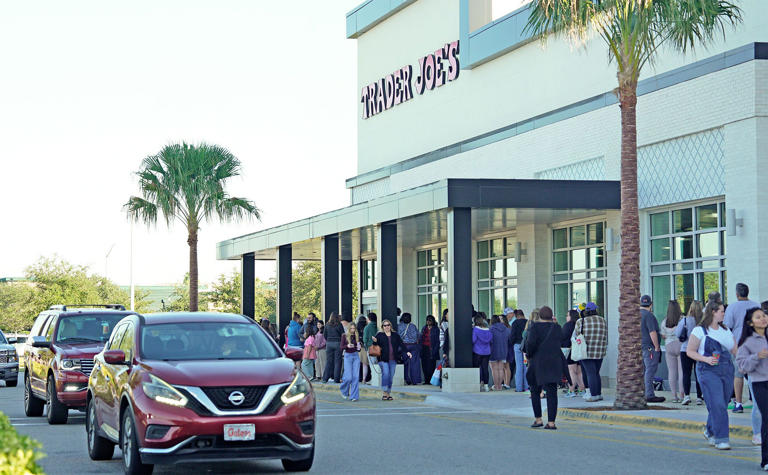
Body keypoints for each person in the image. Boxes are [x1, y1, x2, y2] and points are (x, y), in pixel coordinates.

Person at [687, 300, 737, 450]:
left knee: (721, 402)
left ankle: (710, 430)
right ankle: (721, 439)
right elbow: (690, 351)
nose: (724, 313)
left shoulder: (726, 329)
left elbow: (735, 349)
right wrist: (705, 359)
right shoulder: (699, 331)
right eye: (722, 311)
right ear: (713, 312)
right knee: (717, 403)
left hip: (727, 369)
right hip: (707, 370)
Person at [737, 306, 768, 468]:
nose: (763, 319)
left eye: (764, 316)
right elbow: (742, 366)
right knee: (767, 419)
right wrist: (757, 356)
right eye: (758, 317)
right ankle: (766, 460)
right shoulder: (747, 343)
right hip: (759, 383)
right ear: (750, 323)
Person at [525, 306, 565, 430]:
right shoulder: (557, 328)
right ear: (551, 316)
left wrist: (529, 355)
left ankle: (538, 419)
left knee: (535, 391)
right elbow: (561, 341)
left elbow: (530, 344)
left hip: (537, 363)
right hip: (553, 363)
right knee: (552, 393)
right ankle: (551, 422)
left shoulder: (534, 327)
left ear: (540, 316)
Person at [724, 283, 759, 414]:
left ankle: (738, 403)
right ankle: (756, 401)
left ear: (737, 294)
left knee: (738, 374)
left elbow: (727, 326)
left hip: (738, 344)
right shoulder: (756, 306)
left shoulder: (732, 307)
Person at [574, 302, 608, 402]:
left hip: (585, 351)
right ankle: (598, 394)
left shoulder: (581, 321)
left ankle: (593, 395)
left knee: (590, 373)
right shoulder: (602, 320)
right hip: (599, 351)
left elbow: (577, 335)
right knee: (596, 373)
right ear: (595, 310)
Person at [372, 319, 411, 400]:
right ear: (382, 327)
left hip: (393, 359)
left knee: (391, 376)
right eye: (385, 325)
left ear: (390, 326)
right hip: (383, 359)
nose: (386, 327)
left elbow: (401, 344)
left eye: (388, 325)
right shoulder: (379, 335)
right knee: (386, 374)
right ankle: (384, 392)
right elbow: (375, 347)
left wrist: (407, 352)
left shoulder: (395, 335)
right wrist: (375, 342)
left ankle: (388, 393)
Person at [676, 300, 704, 405]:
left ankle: (687, 396)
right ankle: (699, 397)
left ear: (690, 308)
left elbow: (677, 333)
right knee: (699, 373)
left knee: (686, 373)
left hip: (686, 349)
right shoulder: (702, 322)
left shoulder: (685, 321)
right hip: (699, 350)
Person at [640, 295, 665, 403]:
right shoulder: (649, 316)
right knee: (650, 371)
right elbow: (652, 332)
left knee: (644, 371)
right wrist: (657, 347)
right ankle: (649, 394)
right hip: (649, 348)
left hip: (639, 347)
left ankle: (643, 392)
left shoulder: (636, 315)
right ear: (651, 304)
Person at [661, 300, 684, 403]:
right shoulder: (682, 320)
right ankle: (683, 395)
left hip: (669, 346)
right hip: (680, 345)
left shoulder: (665, 321)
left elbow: (663, 335)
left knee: (672, 371)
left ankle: (674, 396)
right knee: (681, 371)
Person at [561, 309, 585, 397]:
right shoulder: (579, 324)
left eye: (567, 315)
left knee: (572, 371)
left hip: (570, 350)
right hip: (579, 350)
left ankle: (571, 390)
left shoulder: (567, 325)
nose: (566, 317)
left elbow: (563, 337)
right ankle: (582, 389)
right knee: (579, 371)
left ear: (571, 316)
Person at [339, 322, 362, 401]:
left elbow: (358, 348)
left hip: (356, 356)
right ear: (349, 329)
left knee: (356, 377)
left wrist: (359, 347)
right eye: (351, 328)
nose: (352, 330)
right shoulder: (344, 336)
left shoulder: (357, 336)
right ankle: (343, 390)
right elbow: (341, 347)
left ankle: (354, 396)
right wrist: (347, 346)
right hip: (348, 356)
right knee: (349, 377)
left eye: (354, 328)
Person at [397, 313, 421, 385]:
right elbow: (418, 335)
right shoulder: (413, 326)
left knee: (406, 363)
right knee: (414, 363)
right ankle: (415, 380)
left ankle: (407, 379)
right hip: (414, 346)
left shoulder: (399, 326)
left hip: (404, 346)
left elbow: (398, 337)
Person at [490, 315, 510, 391]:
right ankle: (500, 386)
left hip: (493, 350)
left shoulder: (491, 329)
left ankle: (496, 386)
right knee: (501, 369)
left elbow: (489, 339)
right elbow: (509, 338)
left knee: (494, 369)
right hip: (504, 350)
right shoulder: (506, 329)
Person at [472, 315, 493, 391]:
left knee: (477, 368)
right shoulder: (488, 330)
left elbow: (473, 340)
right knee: (485, 368)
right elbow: (491, 341)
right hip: (487, 352)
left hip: (477, 351)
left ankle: (478, 384)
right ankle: (486, 386)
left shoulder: (475, 330)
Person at [510, 309, 529, 392]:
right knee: (526, 366)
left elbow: (512, 336)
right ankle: (526, 387)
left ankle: (519, 388)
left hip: (517, 345)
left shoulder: (515, 323)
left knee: (519, 366)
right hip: (526, 346)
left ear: (516, 315)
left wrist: (512, 343)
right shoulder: (527, 322)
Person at [322, 313, 343, 383]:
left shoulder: (327, 325)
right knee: (337, 362)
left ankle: (325, 378)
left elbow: (324, 335)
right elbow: (343, 334)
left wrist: (328, 340)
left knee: (329, 361)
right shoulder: (339, 324)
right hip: (338, 343)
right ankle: (336, 379)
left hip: (329, 343)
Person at [420, 315, 440, 385]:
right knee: (424, 365)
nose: (428, 321)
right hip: (424, 348)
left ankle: (431, 380)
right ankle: (426, 380)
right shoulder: (424, 328)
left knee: (431, 365)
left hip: (432, 349)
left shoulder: (436, 329)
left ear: (433, 321)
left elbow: (438, 341)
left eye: (430, 320)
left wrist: (436, 349)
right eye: (427, 320)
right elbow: (421, 338)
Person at [356, 315, 370, 383]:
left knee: (358, 364)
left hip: (358, 348)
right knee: (365, 364)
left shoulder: (356, 329)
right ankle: (364, 379)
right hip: (365, 348)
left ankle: (358, 377)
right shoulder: (367, 328)